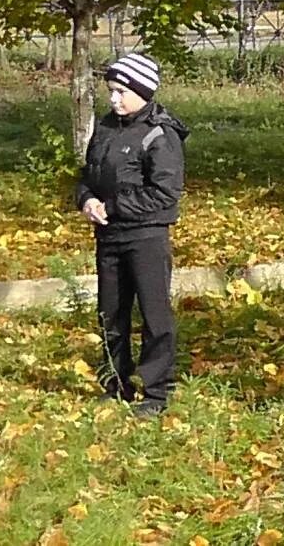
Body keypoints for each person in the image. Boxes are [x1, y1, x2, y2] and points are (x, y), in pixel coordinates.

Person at [75, 53, 190, 418]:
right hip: (108, 237)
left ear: (143, 91)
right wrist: (87, 200)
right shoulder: (107, 127)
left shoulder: (161, 133)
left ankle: (156, 393)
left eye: (122, 91)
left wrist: (114, 207)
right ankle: (116, 384)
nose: (114, 98)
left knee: (155, 316)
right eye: (111, 90)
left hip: (146, 237)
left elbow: (165, 193)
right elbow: (86, 174)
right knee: (110, 314)